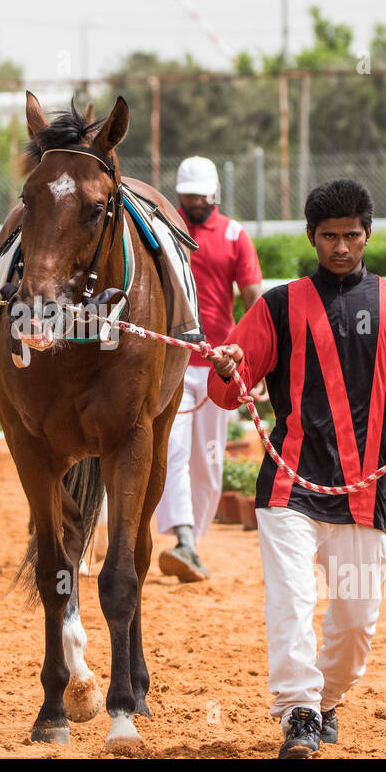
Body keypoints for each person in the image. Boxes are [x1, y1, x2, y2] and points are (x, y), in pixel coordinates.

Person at [205, 178, 386, 759]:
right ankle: (299, 712)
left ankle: (325, 700)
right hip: (288, 489)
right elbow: (227, 391)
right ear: (311, 238)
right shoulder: (276, 306)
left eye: (352, 235)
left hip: (366, 492)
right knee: (292, 603)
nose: (342, 247)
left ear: (368, 233)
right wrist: (228, 368)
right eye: (329, 236)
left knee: (355, 626)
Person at [155, 156, 263, 583]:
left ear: (214, 193)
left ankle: (192, 542)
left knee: (209, 460)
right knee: (173, 451)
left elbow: (254, 299)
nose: (194, 202)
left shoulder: (236, 235)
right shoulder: (167, 230)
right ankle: (183, 538)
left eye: (200, 195)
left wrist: (256, 363)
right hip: (173, 362)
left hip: (221, 366)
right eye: (187, 195)